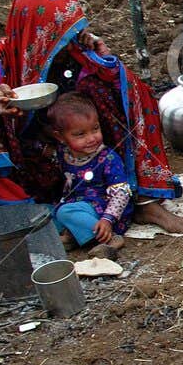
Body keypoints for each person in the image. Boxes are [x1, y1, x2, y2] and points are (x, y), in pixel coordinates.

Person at [0, 0, 183, 231]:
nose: (68, 43)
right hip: (18, 164)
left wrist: (102, 59)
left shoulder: (72, 53)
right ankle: (17, 211)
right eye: (59, 37)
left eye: (73, 33)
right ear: (38, 35)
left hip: (76, 159)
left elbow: (123, 94)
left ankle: (140, 199)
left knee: (106, 84)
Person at [46, 92, 131, 256]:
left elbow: (121, 193)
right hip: (76, 204)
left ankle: (110, 239)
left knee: (65, 212)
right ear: (60, 137)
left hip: (103, 210)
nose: (91, 138)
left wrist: (107, 219)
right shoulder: (64, 153)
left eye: (95, 129)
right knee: (46, 213)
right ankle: (75, 235)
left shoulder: (108, 158)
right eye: (80, 134)